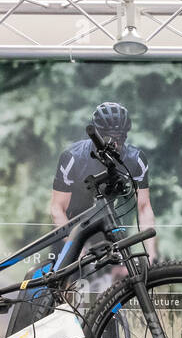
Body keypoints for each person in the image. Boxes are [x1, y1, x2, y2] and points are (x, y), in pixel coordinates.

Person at [49, 101, 158, 260]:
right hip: (69, 225)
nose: (114, 144)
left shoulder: (136, 160)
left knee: (116, 279)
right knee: (66, 279)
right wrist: (74, 247)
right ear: (95, 134)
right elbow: (57, 208)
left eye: (120, 138)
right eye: (108, 137)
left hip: (106, 223)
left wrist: (151, 254)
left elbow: (144, 208)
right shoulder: (73, 157)